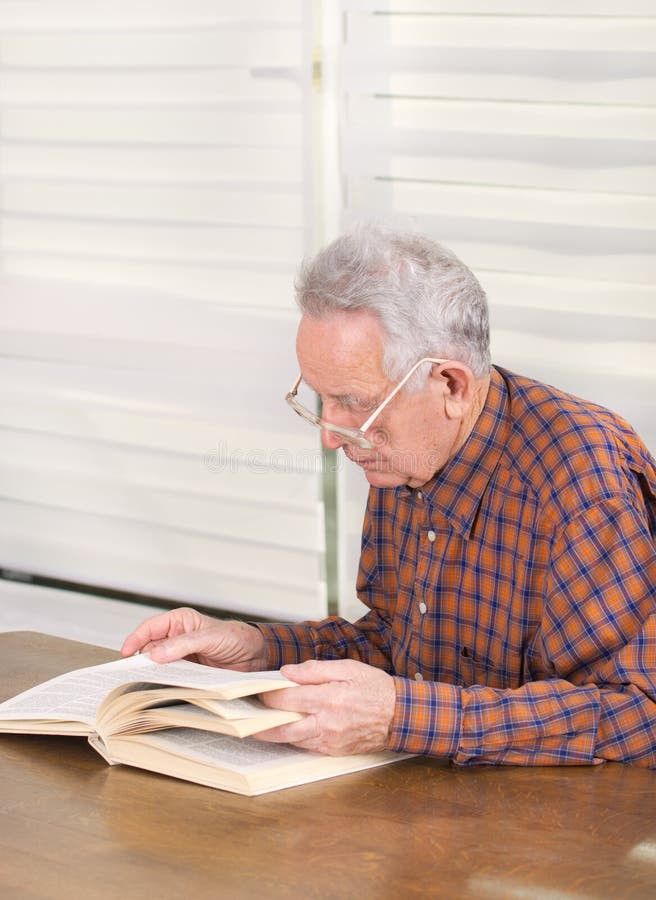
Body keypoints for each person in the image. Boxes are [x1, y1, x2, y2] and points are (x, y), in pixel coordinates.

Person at [122, 225, 656, 767]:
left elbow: (642, 715)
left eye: (354, 402)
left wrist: (399, 717)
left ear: (451, 385)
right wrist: (256, 649)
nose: (332, 435)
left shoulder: (584, 482)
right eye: (321, 400)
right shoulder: (402, 453)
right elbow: (396, 643)